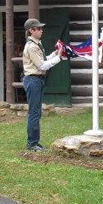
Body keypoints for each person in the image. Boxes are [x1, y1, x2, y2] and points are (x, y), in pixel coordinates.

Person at [22, 19, 66, 152]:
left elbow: (43, 60)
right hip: (33, 79)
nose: (41, 30)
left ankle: (34, 142)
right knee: (34, 112)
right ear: (31, 30)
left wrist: (53, 53)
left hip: (37, 80)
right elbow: (42, 65)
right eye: (38, 28)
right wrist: (58, 58)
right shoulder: (32, 46)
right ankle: (32, 143)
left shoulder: (37, 44)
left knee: (36, 112)